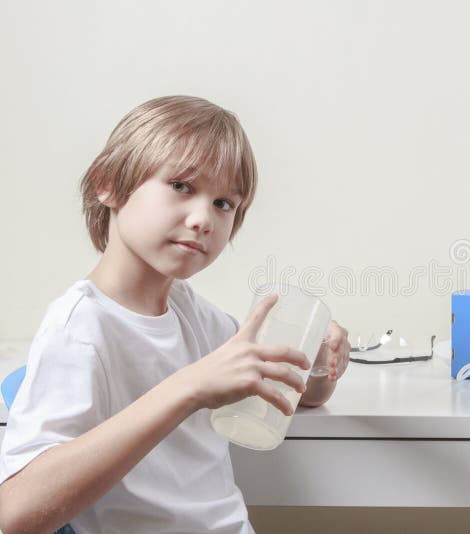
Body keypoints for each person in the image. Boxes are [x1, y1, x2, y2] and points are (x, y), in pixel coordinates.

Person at [0, 95, 350, 533]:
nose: (204, 218)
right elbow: (14, 514)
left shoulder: (193, 315)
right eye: (182, 186)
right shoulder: (82, 327)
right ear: (106, 184)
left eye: (225, 203)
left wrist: (318, 361)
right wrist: (190, 388)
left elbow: (296, 397)